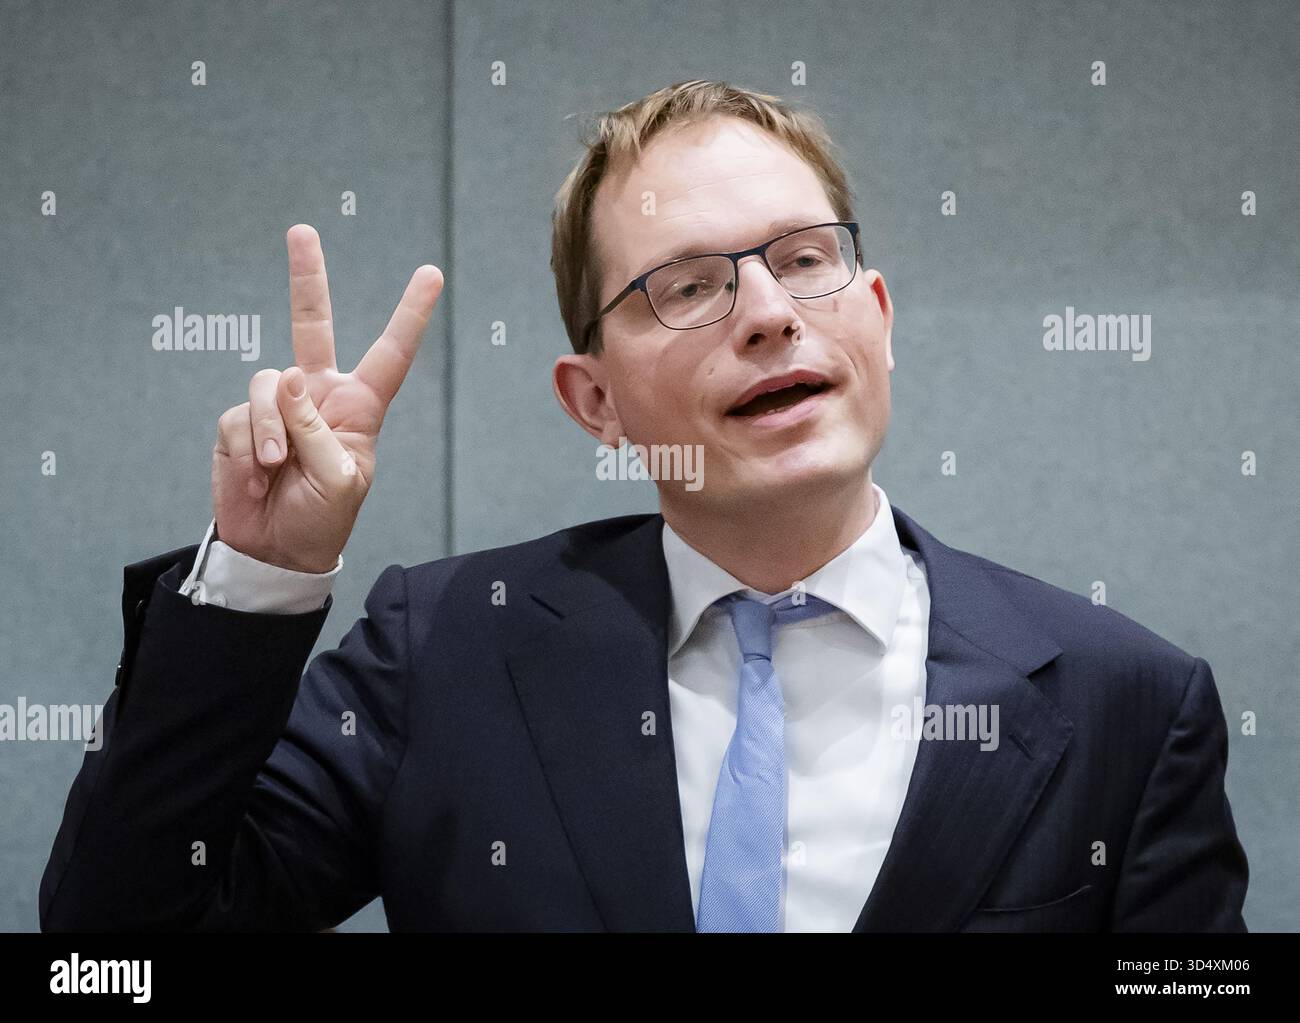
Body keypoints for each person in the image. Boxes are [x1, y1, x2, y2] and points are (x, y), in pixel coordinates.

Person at [40, 80, 1248, 932]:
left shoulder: (1125, 705)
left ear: (875, 312)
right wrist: (261, 574)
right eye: (688, 285)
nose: (770, 311)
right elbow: (118, 950)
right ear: (595, 401)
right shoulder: (447, 651)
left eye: (805, 259)